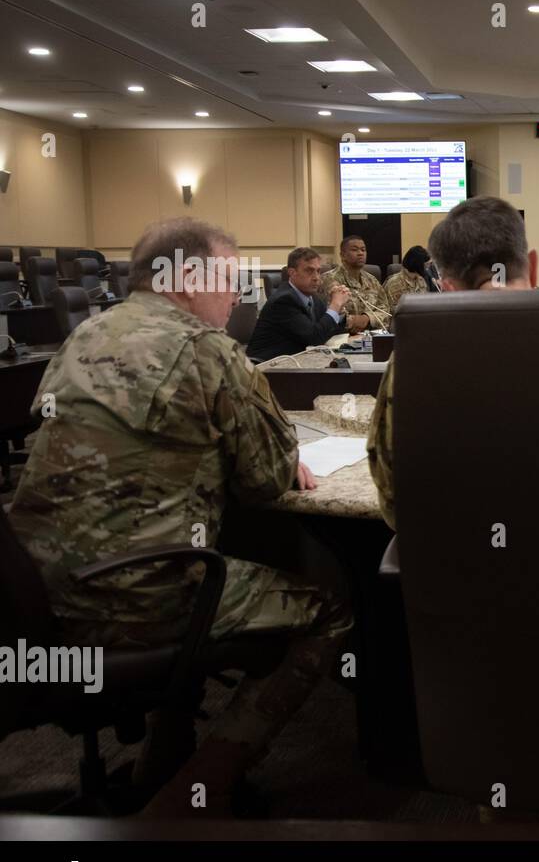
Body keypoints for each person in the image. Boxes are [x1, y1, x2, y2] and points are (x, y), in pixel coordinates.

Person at [7, 217, 351, 815]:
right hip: (135, 596)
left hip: (33, 593)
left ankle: (163, 763)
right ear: (187, 277)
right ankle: (192, 798)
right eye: (229, 278)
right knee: (328, 610)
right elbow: (268, 478)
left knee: (201, 563)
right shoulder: (206, 350)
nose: (238, 294)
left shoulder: (84, 336)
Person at [368, 197, 539, 530]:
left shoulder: (414, 358)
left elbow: (394, 504)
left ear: (445, 287)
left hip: (450, 572)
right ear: (533, 267)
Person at [246, 246, 351, 361]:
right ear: (292, 272)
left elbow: (326, 329)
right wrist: (335, 305)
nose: (316, 277)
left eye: (318, 271)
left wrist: (339, 312)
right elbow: (314, 338)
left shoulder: (312, 297)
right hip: (268, 367)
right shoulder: (284, 301)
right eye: (309, 271)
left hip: (296, 362)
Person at [321, 235, 391, 331]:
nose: (360, 253)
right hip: (342, 338)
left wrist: (367, 318)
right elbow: (332, 315)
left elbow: (386, 311)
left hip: (372, 336)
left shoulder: (372, 280)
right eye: (355, 250)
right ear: (342, 255)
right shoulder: (329, 279)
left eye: (363, 250)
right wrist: (352, 321)